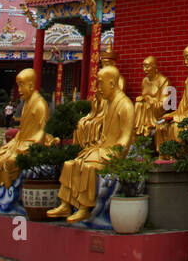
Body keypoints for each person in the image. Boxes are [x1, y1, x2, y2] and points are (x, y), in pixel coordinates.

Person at [47, 66, 133, 223]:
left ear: (112, 83)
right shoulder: (108, 104)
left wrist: (114, 153)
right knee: (71, 163)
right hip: (101, 148)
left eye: (101, 83)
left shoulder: (125, 105)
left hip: (112, 152)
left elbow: (126, 136)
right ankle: (66, 204)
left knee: (88, 167)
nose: (98, 88)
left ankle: (84, 208)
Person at [0, 69, 49, 188]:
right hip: (19, 143)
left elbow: (42, 133)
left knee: (10, 162)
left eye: (21, 85)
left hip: (29, 145)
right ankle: (2, 191)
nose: (18, 90)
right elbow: (22, 131)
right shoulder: (26, 104)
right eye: (18, 85)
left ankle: (8, 191)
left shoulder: (40, 105)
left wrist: (28, 148)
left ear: (30, 86)